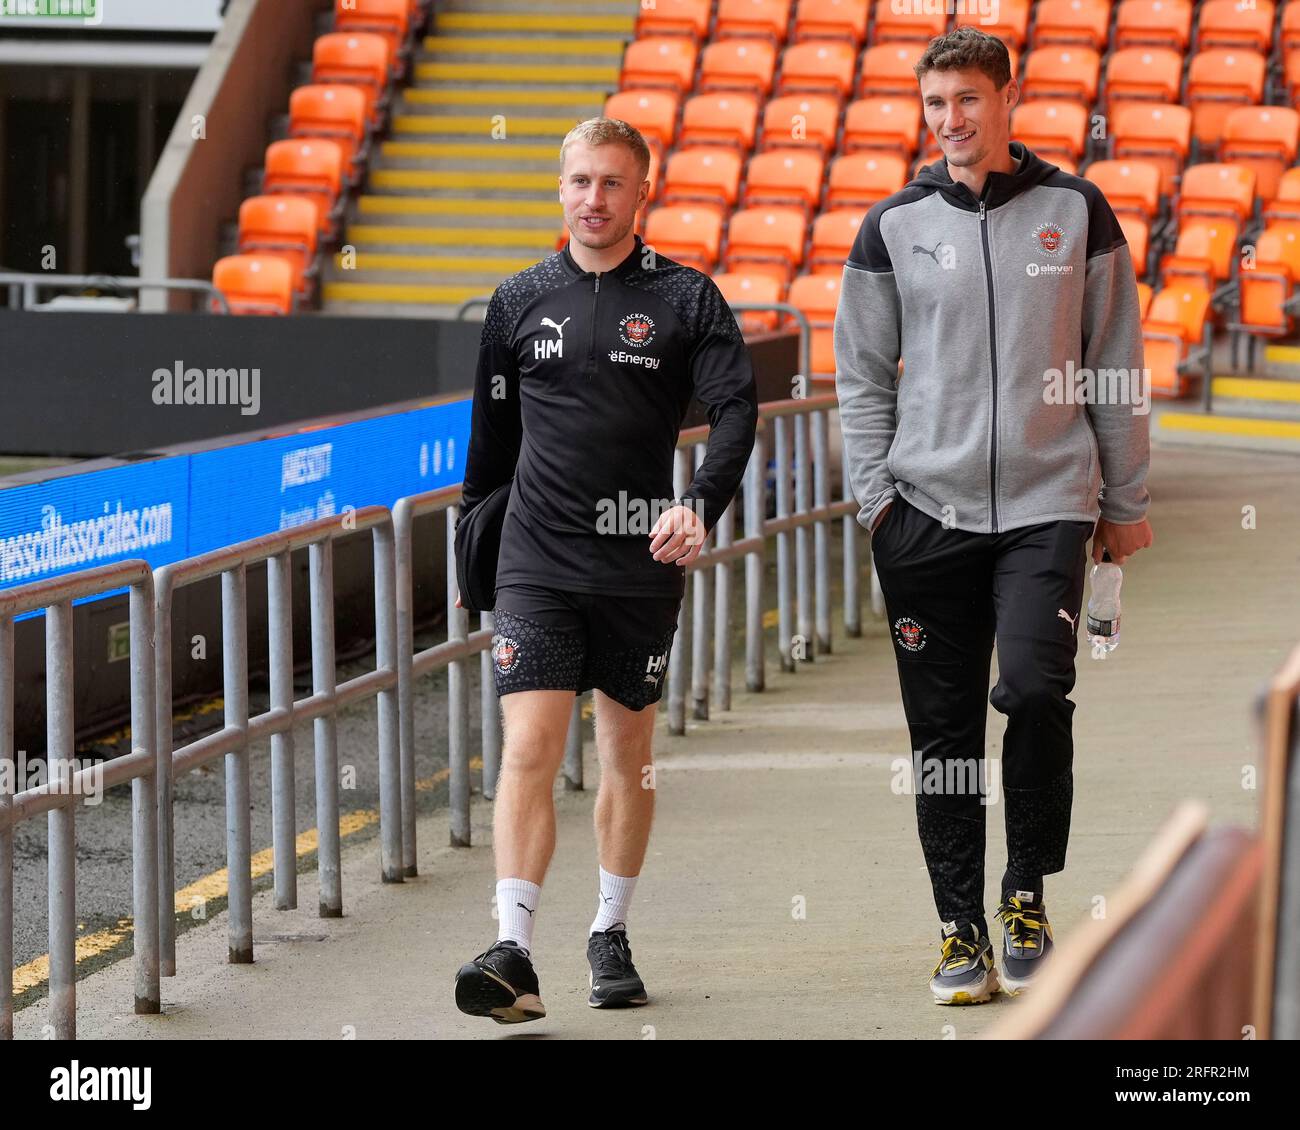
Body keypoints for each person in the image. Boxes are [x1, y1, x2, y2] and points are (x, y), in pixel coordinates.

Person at [834, 27, 1154, 1005]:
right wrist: (875, 500)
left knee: (1030, 692)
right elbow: (857, 378)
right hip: (923, 513)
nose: (951, 121)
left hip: (1048, 505)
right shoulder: (893, 224)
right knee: (940, 735)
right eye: (935, 105)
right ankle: (958, 927)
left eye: (967, 100)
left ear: (1006, 99)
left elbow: (1113, 362)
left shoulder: (1074, 209)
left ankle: (1023, 892)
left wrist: (1124, 498)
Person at [453, 118, 758, 1024]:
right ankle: (512, 949)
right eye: (580, 181)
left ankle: (610, 931)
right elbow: (489, 452)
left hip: (639, 565)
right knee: (530, 749)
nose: (594, 198)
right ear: (561, 188)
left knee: (627, 756)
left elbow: (737, 410)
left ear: (642, 193)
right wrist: (479, 556)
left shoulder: (687, 299)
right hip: (537, 563)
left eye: (612, 183)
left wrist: (697, 504)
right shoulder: (516, 303)